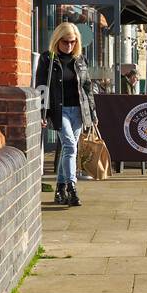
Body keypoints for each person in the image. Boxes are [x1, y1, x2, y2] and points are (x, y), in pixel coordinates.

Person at [35, 24, 98, 207]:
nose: (69, 45)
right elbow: (41, 86)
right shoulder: (48, 59)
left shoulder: (80, 60)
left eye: (73, 42)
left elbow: (87, 88)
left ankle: (60, 189)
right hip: (59, 110)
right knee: (70, 146)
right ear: (57, 40)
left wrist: (93, 113)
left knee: (68, 149)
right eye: (65, 42)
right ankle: (72, 187)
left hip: (78, 111)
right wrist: (42, 112)